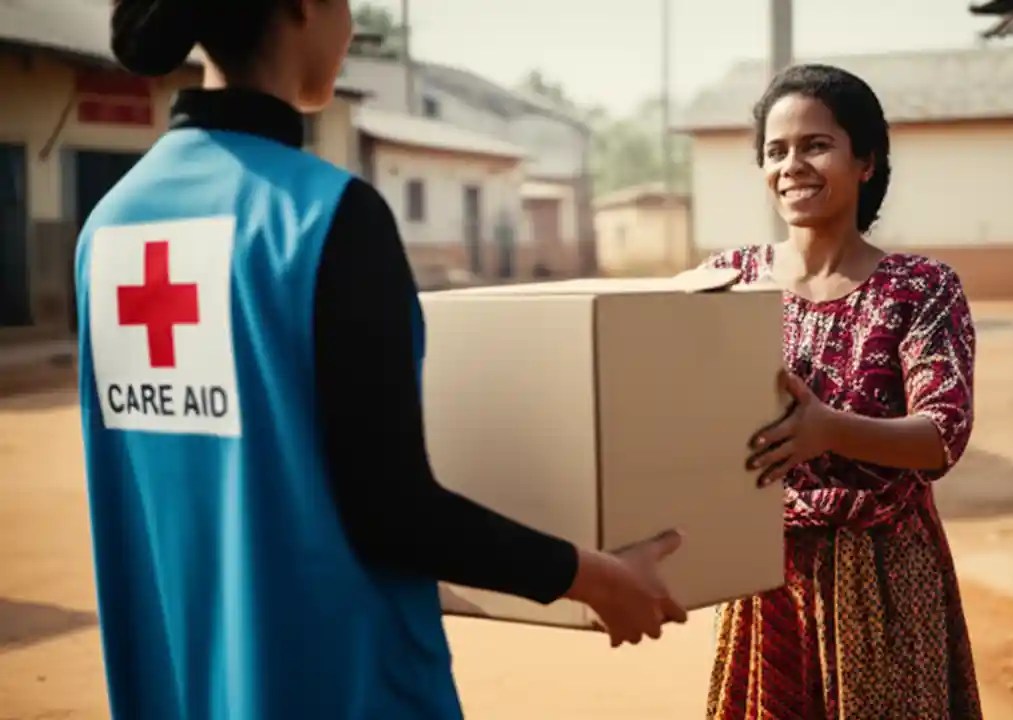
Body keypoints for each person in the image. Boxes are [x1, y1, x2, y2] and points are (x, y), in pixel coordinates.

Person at [77, 1, 751, 717]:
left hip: (177, 684)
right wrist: (599, 578)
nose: (350, 33)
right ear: (304, 8)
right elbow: (391, 509)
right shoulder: (323, 214)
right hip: (336, 681)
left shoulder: (110, 225)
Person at [703, 65, 984, 719]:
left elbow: (942, 435)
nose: (792, 166)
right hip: (759, 577)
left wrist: (828, 429)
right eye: (776, 151)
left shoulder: (920, 288)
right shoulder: (726, 281)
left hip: (885, 580)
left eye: (816, 145)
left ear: (866, 161)